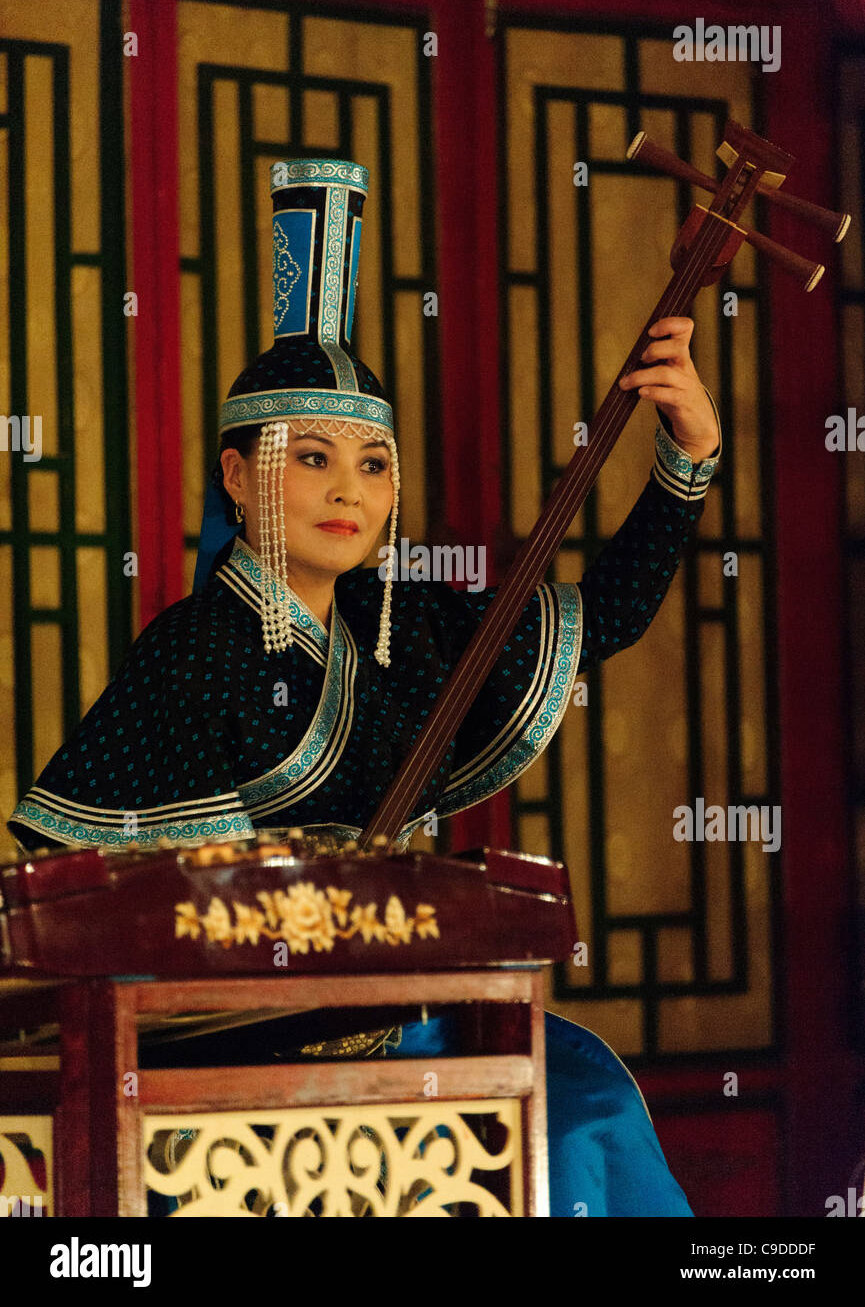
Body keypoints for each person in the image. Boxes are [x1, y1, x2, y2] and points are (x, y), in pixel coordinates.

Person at [7, 158, 720, 1217]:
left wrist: (684, 456)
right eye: (310, 457)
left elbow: (601, 617)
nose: (348, 488)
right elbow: (105, 899)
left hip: (414, 1021)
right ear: (240, 475)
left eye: (373, 463)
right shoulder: (191, 651)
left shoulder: (413, 638)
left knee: (578, 1116)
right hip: (233, 1062)